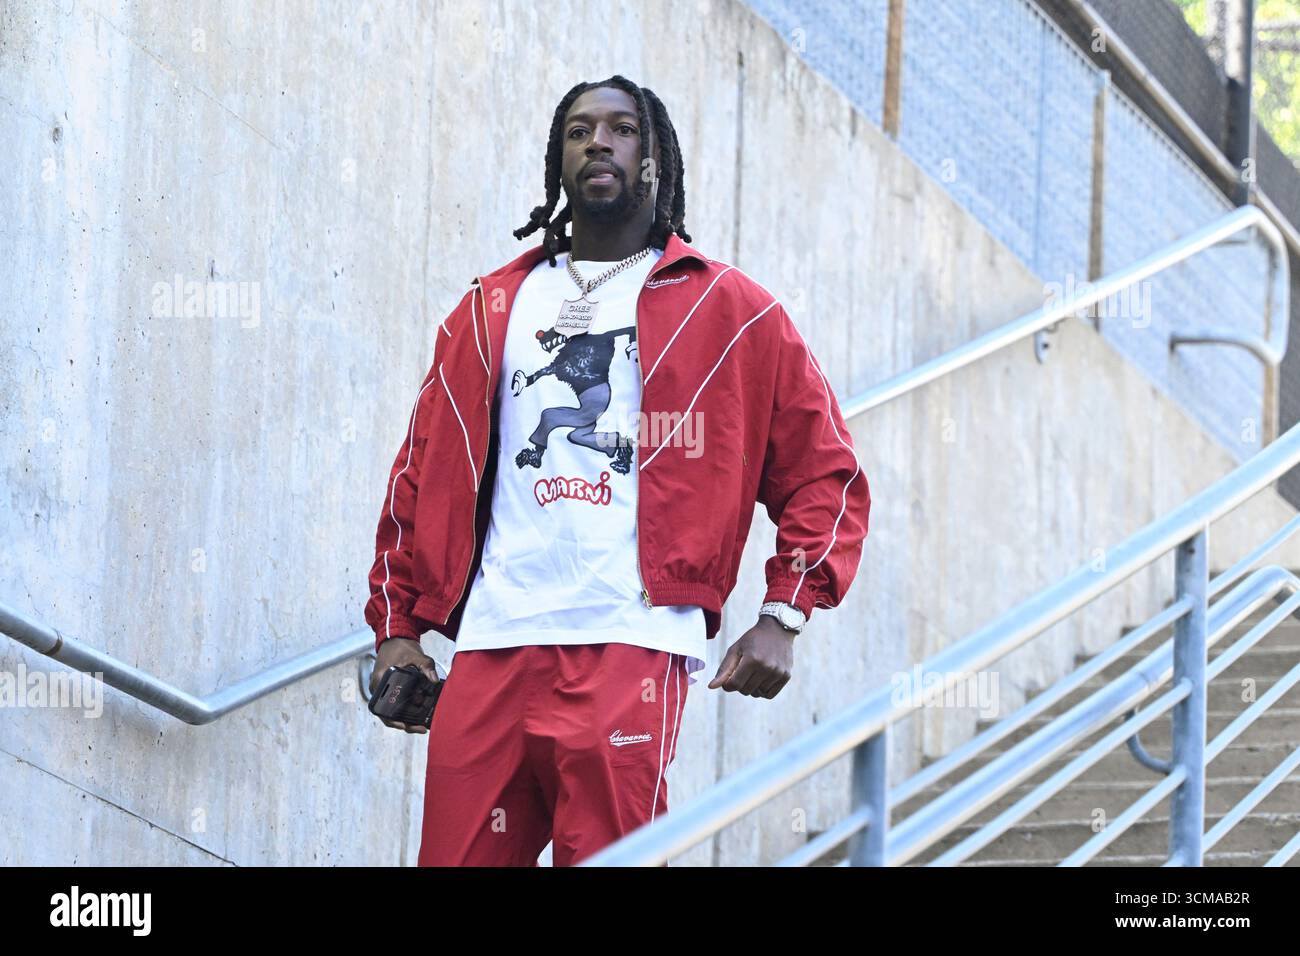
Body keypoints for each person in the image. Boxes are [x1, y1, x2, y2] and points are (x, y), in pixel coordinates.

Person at [364, 75, 872, 866]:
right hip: (493, 641)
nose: (597, 142)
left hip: (627, 641)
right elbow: (418, 475)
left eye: (621, 129)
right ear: (557, 159)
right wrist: (397, 630)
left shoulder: (731, 310)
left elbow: (824, 472)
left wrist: (787, 612)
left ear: (655, 155)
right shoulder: (488, 308)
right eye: (577, 131)